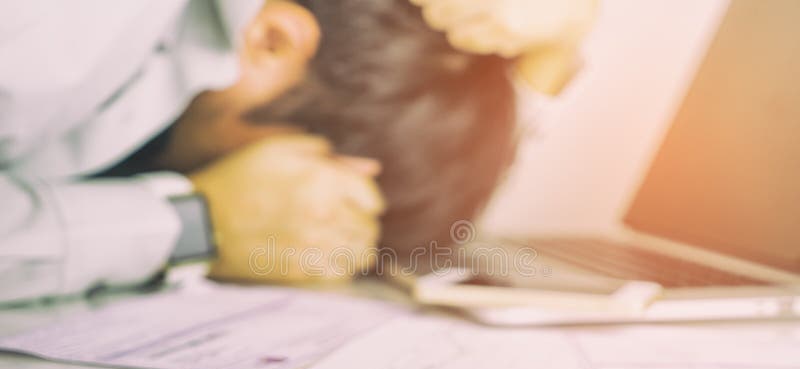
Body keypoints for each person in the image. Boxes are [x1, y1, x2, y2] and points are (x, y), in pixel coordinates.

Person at [0, 0, 594, 304]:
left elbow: (427, 196)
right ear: (273, 41)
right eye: (296, 186)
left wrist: (556, 51)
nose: (293, 222)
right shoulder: (49, 39)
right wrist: (194, 221)